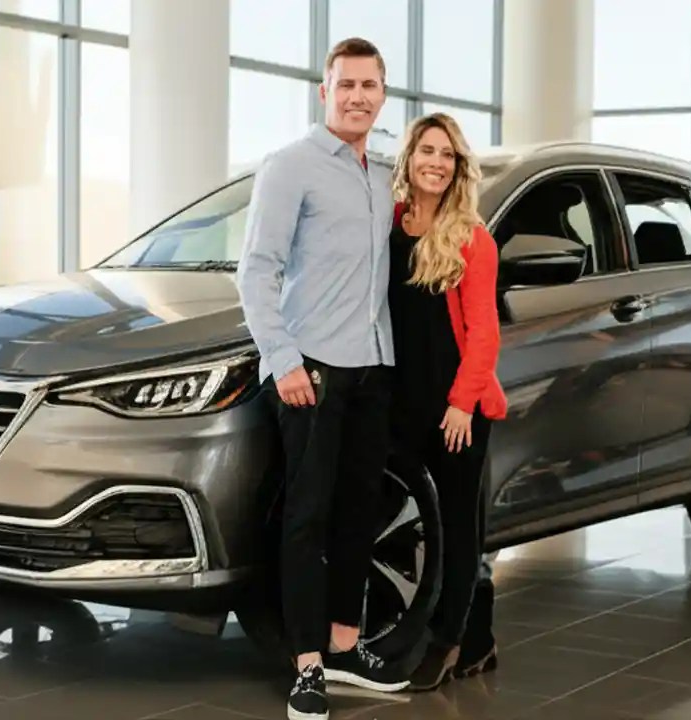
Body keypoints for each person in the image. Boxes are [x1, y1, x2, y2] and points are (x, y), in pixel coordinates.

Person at [235, 36, 411, 720]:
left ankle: (345, 645)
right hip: (313, 373)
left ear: (383, 94)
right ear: (324, 92)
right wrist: (282, 360)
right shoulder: (290, 167)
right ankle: (307, 666)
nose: (358, 96)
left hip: (374, 368)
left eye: (370, 86)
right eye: (347, 85)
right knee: (306, 519)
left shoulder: (382, 174)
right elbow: (257, 270)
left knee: (359, 515)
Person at [385, 112, 507, 692]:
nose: (436, 162)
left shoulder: (472, 239)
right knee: (419, 527)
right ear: (409, 158)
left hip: (457, 409)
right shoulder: (389, 226)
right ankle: (479, 639)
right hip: (401, 404)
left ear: (459, 167)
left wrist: (461, 404)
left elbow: (484, 332)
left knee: (458, 530)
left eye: (447, 154)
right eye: (426, 150)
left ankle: (449, 642)